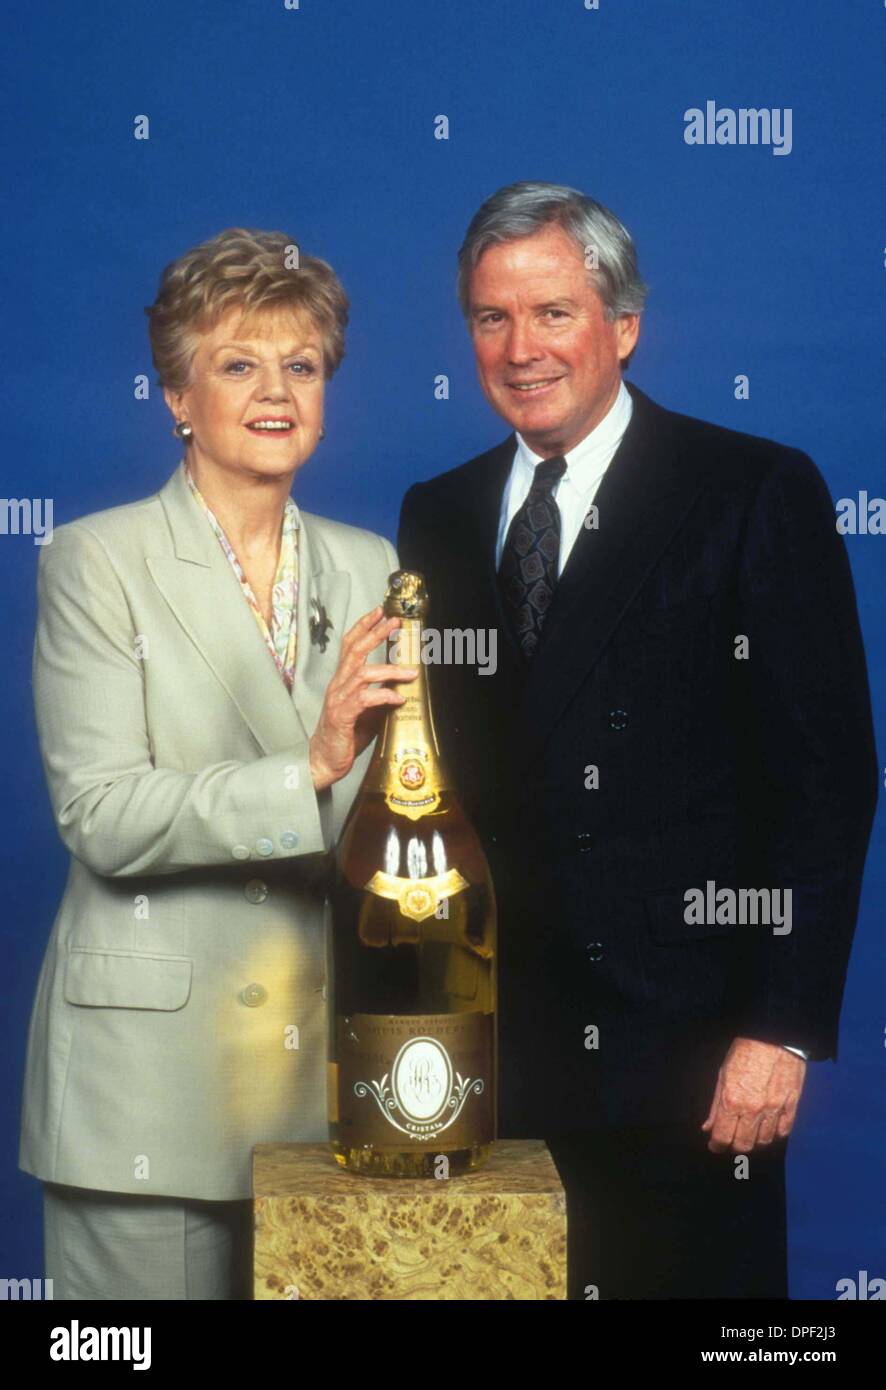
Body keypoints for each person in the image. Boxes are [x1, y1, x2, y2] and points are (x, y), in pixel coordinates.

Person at [397, 181, 878, 1299]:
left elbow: (828, 781)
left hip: (693, 1058)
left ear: (622, 324)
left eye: (553, 312)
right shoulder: (439, 511)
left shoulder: (751, 488)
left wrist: (783, 1030)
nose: (520, 349)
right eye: (490, 317)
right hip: (489, 1060)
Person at [19, 227, 415, 1300]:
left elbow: (394, 824)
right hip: (145, 1089)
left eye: (302, 364)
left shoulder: (371, 563)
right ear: (177, 397)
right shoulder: (96, 559)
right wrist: (313, 767)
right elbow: (100, 813)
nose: (275, 390)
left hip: (325, 1082)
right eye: (238, 363)